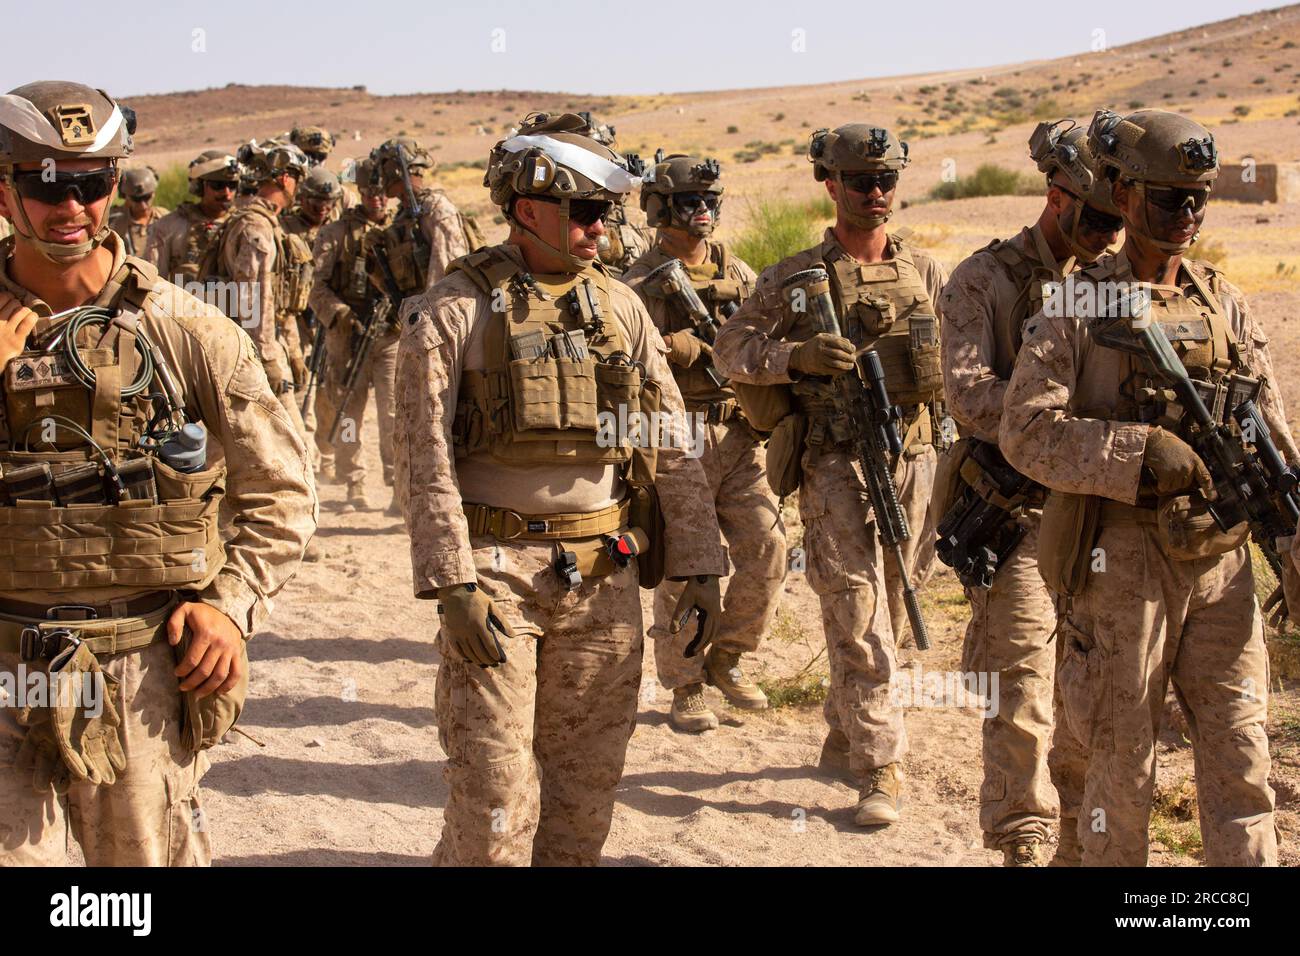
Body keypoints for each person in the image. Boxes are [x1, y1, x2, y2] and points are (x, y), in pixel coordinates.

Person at [395, 112, 725, 865]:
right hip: (496, 576)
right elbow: (422, 460)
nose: (599, 227)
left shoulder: (622, 308)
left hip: (603, 575)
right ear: (526, 210)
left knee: (585, 800)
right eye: (583, 211)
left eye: (605, 212)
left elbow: (673, 446)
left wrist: (700, 569)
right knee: (495, 799)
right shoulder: (454, 310)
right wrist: (452, 584)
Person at [0, 80, 316, 865]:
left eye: (91, 183)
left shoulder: (186, 328)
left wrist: (229, 605)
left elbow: (280, 489)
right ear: (4, 189)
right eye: (45, 184)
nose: (69, 207)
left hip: (136, 668)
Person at [1001, 108, 1295, 866]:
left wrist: (1293, 541)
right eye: (1170, 199)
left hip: (1222, 563)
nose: (1187, 215)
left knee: (1242, 752)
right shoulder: (1076, 302)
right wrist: (1140, 451)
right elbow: (1026, 431)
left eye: (1199, 198)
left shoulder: (1221, 299)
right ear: (1124, 196)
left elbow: (1271, 434)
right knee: (1120, 762)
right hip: (1120, 564)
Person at [714, 123, 947, 826]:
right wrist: (796, 358)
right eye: (860, 182)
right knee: (853, 604)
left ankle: (847, 726)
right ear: (831, 186)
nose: (876, 194)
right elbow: (731, 348)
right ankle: (882, 764)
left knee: (902, 601)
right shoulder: (792, 277)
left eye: (886, 181)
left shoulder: (927, 271)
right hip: (835, 461)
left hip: (915, 457)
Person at [937, 118, 1122, 865]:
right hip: (1016, 516)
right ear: (1056, 196)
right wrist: (1059, 425)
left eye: (1121, 219)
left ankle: (1076, 842)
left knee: (1093, 687)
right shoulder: (983, 280)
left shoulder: (1119, 290)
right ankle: (1021, 838)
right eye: (1100, 218)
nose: (1111, 235)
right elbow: (969, 397)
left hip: (1102, 519)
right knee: (1020, 689)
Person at [622, 153, 784, 732]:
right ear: (661, 208)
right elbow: (624, 361)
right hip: (674, 434)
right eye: (690, 202)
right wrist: (672, 346)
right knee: (684, 565)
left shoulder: (739, 273)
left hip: (737, 431)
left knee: (768, 551)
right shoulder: (634, 284)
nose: (703, 213)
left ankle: (730, 657)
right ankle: (685, 684)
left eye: (711, 202)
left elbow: (760, 343)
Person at [208, 140, 313, 445]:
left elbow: (277, 302)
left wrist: (292, 352)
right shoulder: (257, 227)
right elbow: (255, 300)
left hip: (254, 347)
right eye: (297, 178)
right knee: (296, 445)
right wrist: (269, 362)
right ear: (284, 178)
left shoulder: (254, 221)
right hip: (253, 352)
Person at [308, 159, 397, 509]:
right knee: (348, 415)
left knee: (393, 415)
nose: (376, 199)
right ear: (359, 193)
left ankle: (395, 485)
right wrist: (340, 314)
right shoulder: (336, 234)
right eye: (370, 192)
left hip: (390, 336)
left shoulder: (400, 230)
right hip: (348, 337)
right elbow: (316, 287)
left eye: (381, 192)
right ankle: (352, 482)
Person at [144, 149, 238, 285]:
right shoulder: (169, 227)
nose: (227, 194)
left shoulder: (241, 225)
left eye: (232, 186)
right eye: (218, 186)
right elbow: (153, 282)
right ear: (199, 186)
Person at [107, 166, 167, 257]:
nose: (143, 205)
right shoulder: (115, 224)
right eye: (136, 199)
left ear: (153, 193)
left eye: (147, 197)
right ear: (125, 196)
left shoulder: (166, 218)